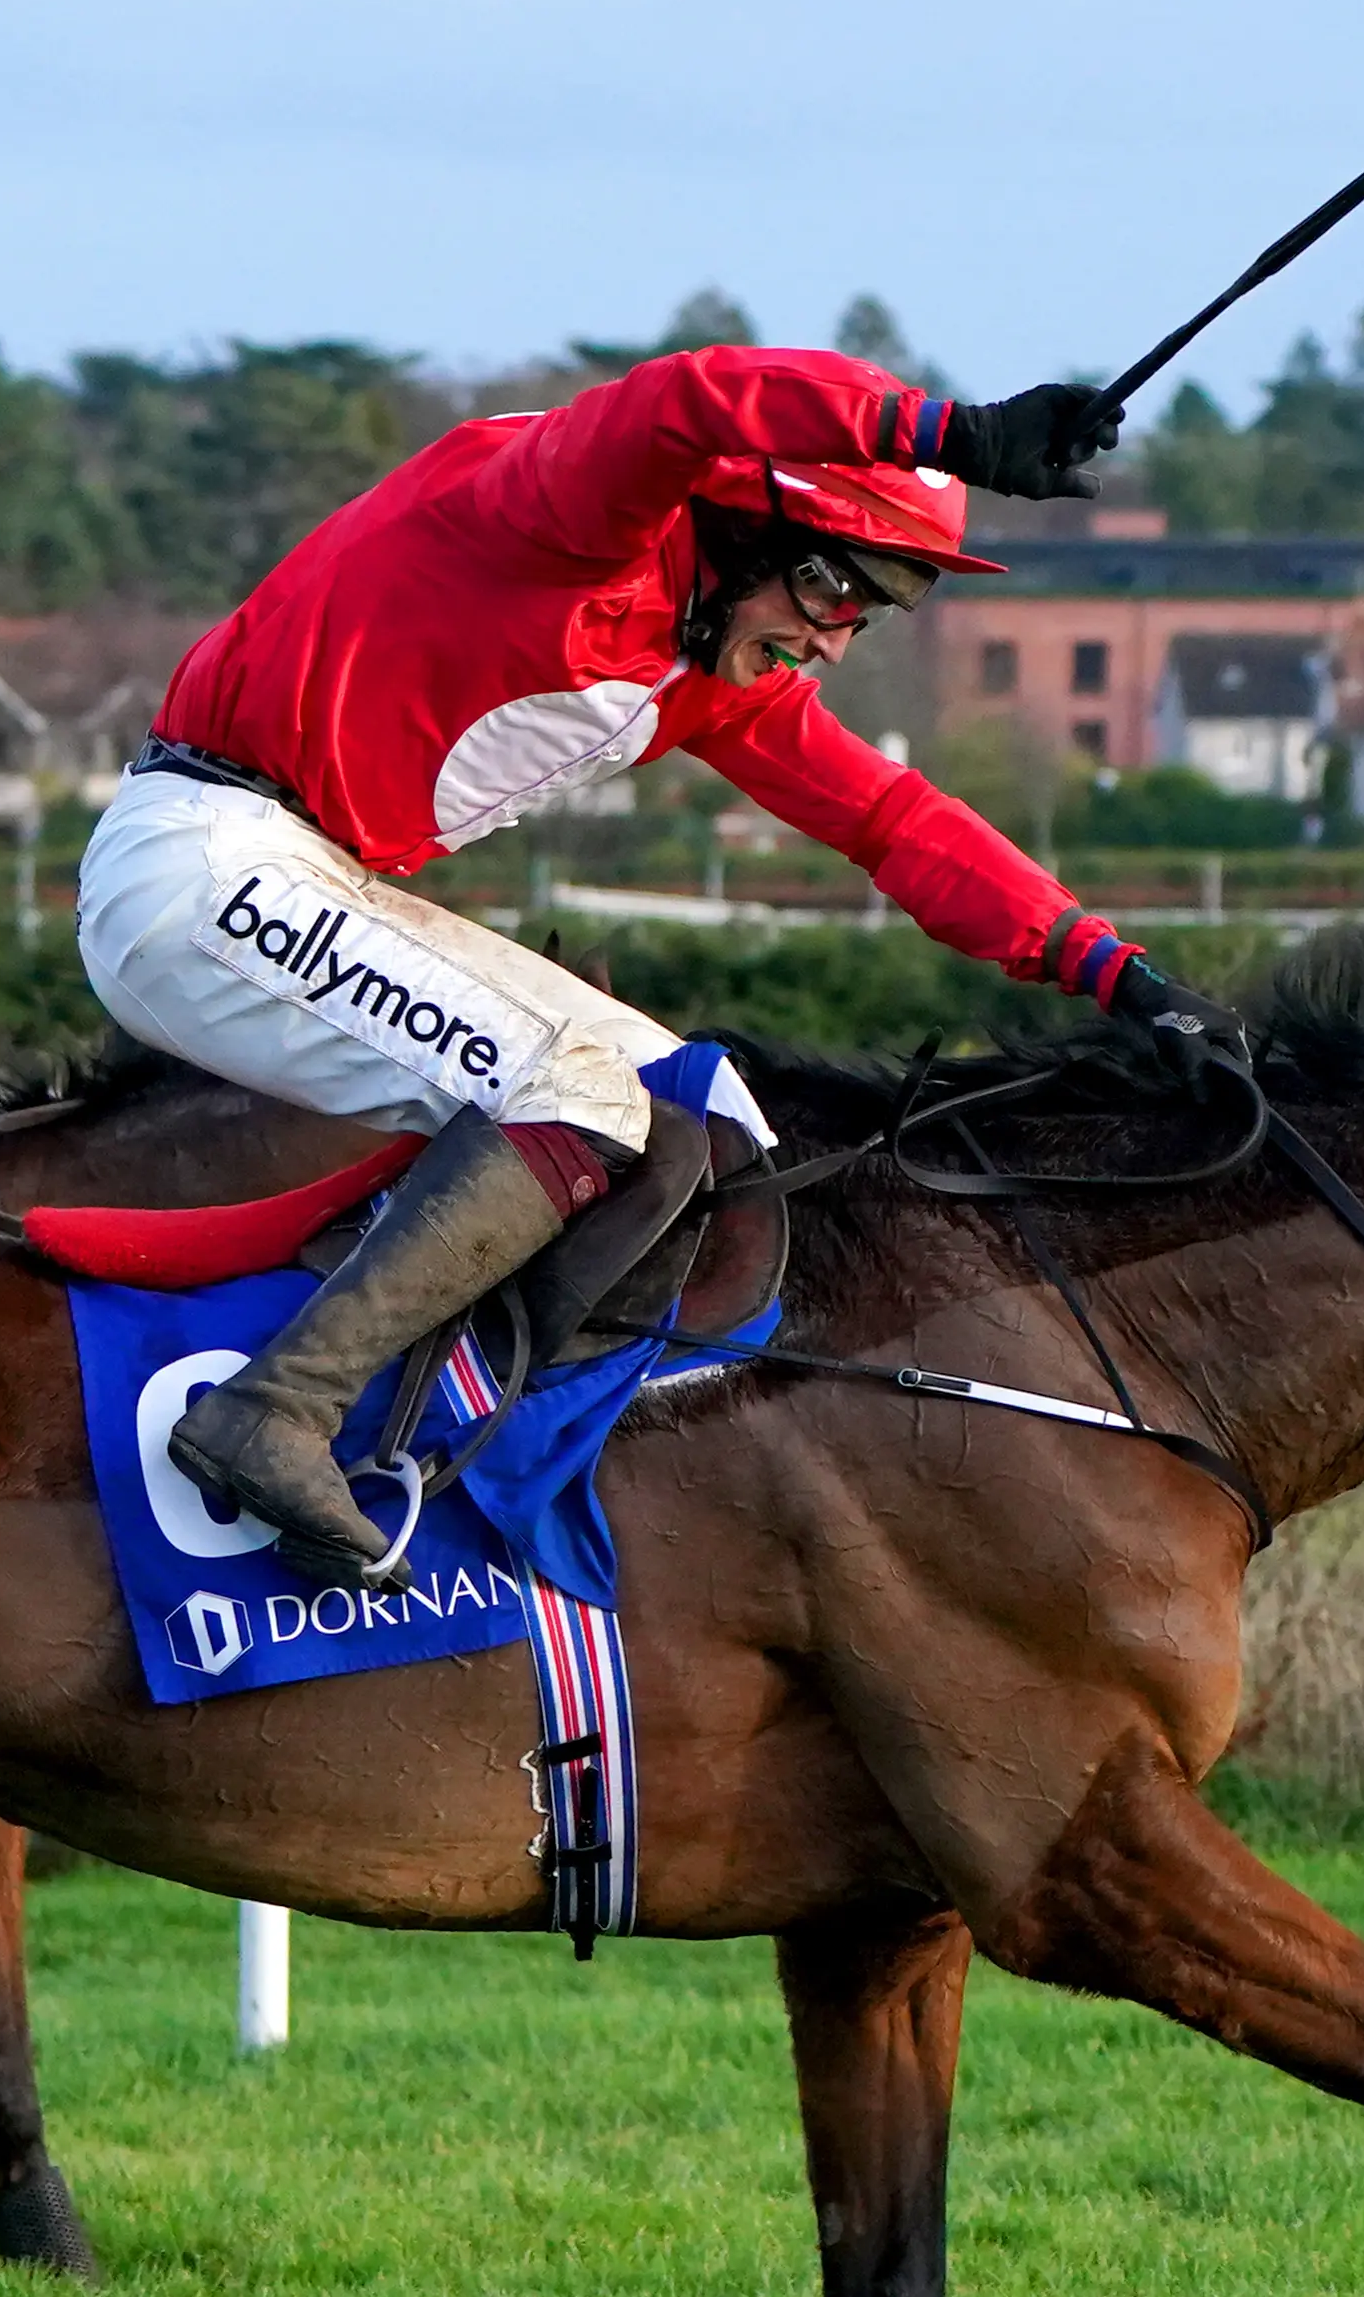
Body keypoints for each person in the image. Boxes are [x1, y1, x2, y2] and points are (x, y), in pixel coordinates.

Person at [79, 342, 1246, 1573]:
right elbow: (679, 399)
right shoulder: (573, 523)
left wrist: (1117, 975)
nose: (836, 644)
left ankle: (471, 1438)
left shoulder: (709, 676)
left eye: (877, 611)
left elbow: (892, 821)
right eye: (840, 594)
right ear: (757, 535)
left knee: (693, 1107)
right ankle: (279, 1408)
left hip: (305, 878)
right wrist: (946, 434)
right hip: (197, 868)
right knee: (577, 1098)